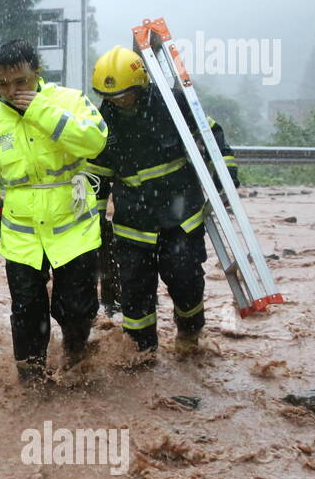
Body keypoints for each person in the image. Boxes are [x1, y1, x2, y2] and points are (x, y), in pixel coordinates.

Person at [0, 39, 108, 384]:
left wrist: (41, 110)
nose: (12, 91)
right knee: (26, 312)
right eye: (2, 84)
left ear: (37, 72)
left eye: (20, 81)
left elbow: (95, 141)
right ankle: (31, 383)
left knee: (76, 308)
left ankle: (75, 357)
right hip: (22, 237)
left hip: (75, 229)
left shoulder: (69, 101)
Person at [87, 45, 239, 356]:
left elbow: (210, 134)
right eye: (110, 97)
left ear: (140, 85)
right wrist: (96, 223)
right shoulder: (102, 122)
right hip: (133, 223)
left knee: (186, 280)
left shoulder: (173, 104)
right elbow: (97, 175)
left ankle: (189, 336)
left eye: (124, 95)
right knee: (135, 293)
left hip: (180, 216)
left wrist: (226, 174)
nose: (118, 102)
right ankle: (141, 352)